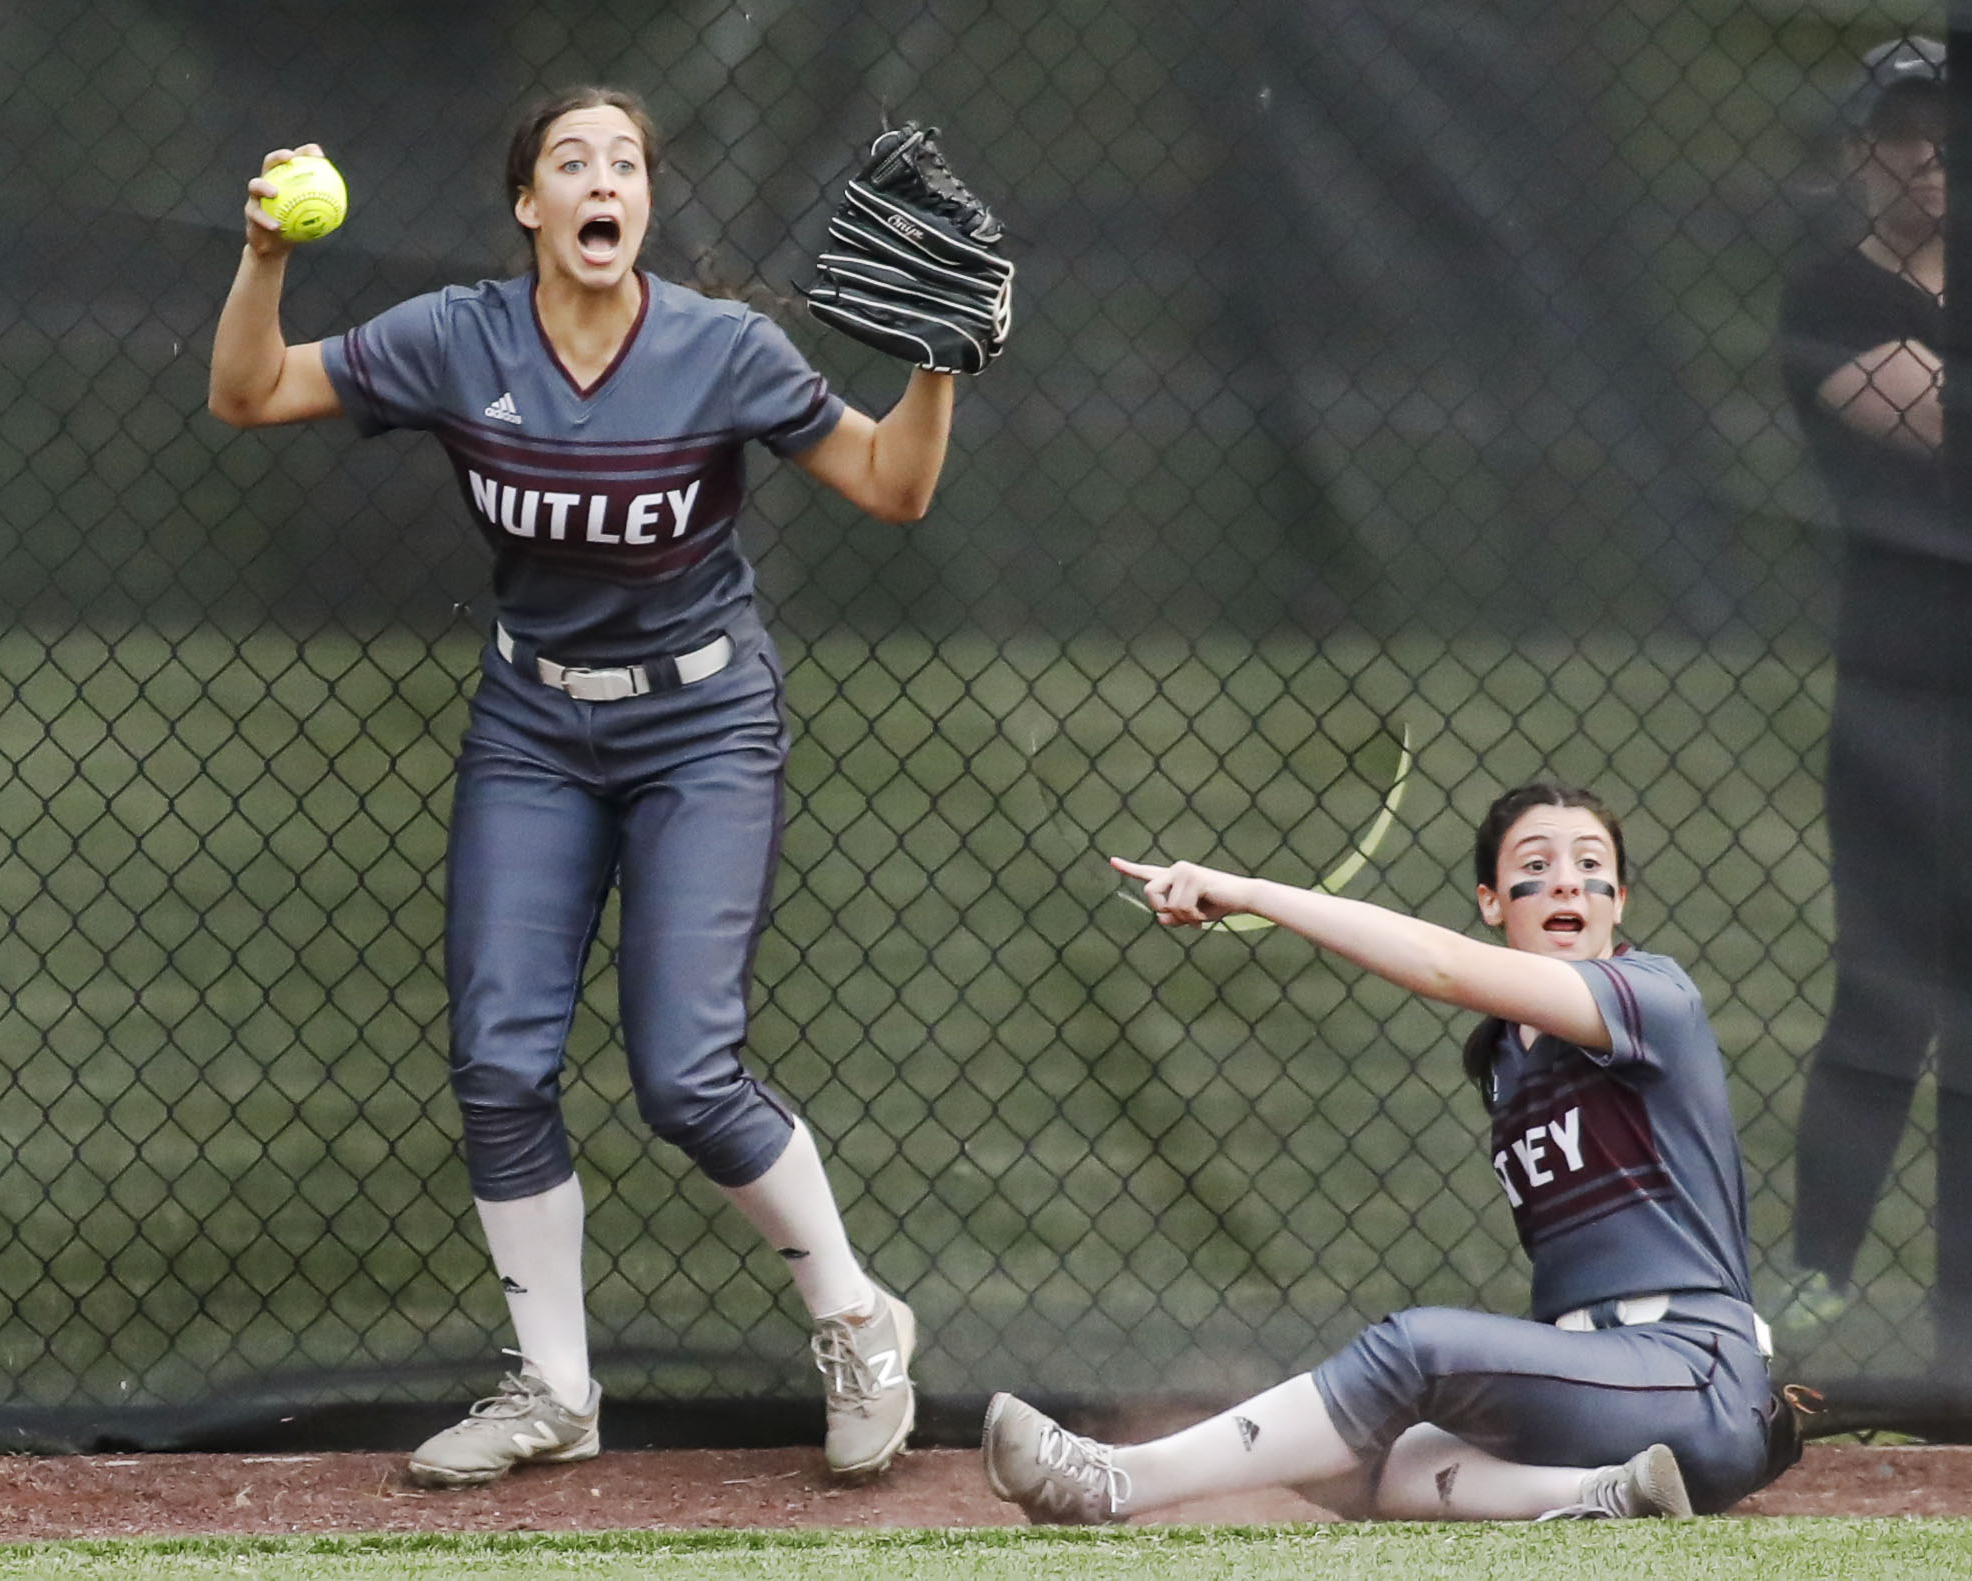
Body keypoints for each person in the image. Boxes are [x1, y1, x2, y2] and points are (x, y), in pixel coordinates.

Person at [206, 89, 970, 1486]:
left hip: (701, 726)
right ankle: (553, 1388)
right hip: (533, 728)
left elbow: (890, 487)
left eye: (623, 163)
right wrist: (263, 255)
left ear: (640, 209)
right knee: (500, 1064)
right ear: (530, 206)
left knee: (684, 1075)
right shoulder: (457, 337)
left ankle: (858, 1320)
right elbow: (249, 391)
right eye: (573, 162)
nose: (602, 180)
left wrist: (934, 370)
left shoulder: (718, 347)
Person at [982, 783, 1787, 1522]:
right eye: (1535, 865)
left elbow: (1440, 966)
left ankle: (1109, 1481)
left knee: (1414, 1349)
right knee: (1347, 1457)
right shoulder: (1502, 1057)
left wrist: (1252, 892)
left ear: (1621, 899)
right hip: (1609, 1407)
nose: (1568, 881)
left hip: (1692, 1377)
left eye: (1590, 864)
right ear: (1490, 899)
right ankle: (1607, 1498)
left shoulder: (1653, 996)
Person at [1775, 35, 1972, 1360]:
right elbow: (1913, 415)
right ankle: (1814, 1275)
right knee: (1883, 995)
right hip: (1897, 696)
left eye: (1946, 129)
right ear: (1859, 154)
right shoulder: (1825, 297)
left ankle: (1960, 1304)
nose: (1929, 156)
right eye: (1903, 133)